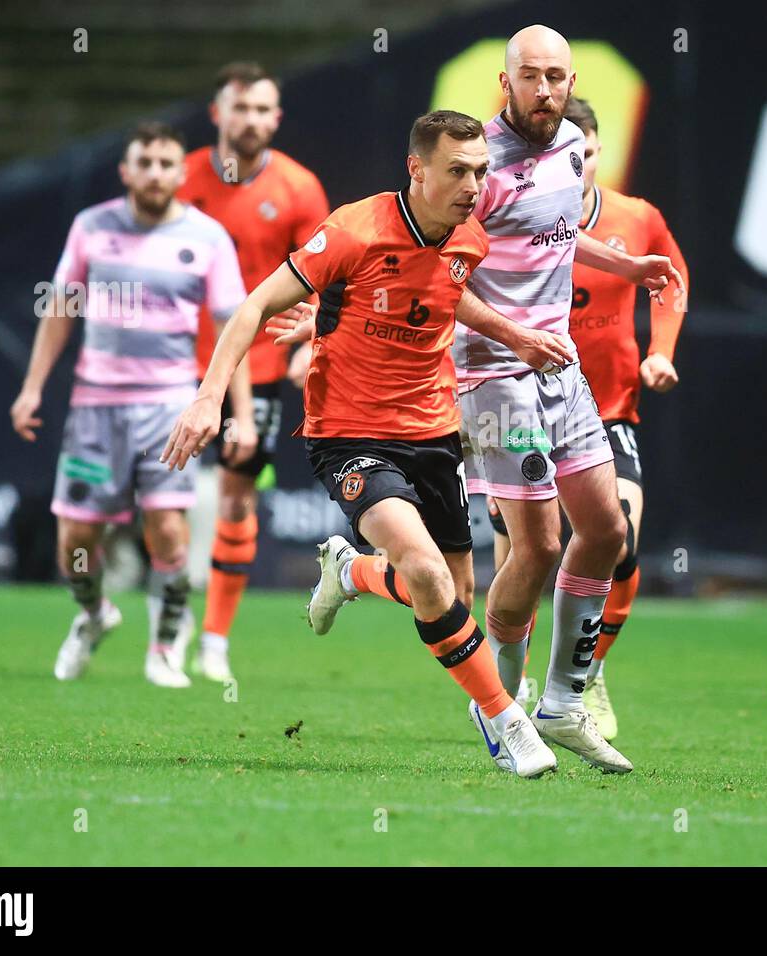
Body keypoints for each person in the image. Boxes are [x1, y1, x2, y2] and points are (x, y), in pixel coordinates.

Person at [162, 111, 575, 778]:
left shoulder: (468, 235)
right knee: (426, 571)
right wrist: (210, 396)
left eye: (479, 171)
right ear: (417, 169)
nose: (474, 185)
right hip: (349, 434)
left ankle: (351, 571)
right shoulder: (354, 230)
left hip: (434, 431)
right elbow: (252, 307)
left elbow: (447, 292)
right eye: (457, 171)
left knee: (451, 597)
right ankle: (507, 723)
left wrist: (517, 337)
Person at [451, 25, 683, 774]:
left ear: (572, 79)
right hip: (493, 376)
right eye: (531, 77)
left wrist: (627, 261)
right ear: (505, 80)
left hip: (561, 369)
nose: (545, 90)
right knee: (538, 545)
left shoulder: (569, 151)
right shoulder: (475, 168)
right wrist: (515, 338)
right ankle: (498, 707)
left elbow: (556, 237)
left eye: (557, 77)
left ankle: (560, 702)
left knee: (606, 532)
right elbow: (439, 279)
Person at [10, 121, 251, 688]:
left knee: (167, 528)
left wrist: (235, 412)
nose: (155, 173)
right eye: (144, 162)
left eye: (167, 164)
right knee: (75, 541)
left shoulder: (207, 237)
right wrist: (31, 387)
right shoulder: (91, 228)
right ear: (125, 170)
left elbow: (233, 328)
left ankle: (166, 642)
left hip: (168, 405)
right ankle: (94, 614)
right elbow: (61, 309)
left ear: (180, 172)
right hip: (95, 408)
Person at [177, 61, 331, 682]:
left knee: (237, 495)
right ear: (218, 113)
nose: (252, 120)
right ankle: (169, 611)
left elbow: (324, 276)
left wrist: (305, 344)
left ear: (277, 118)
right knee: (158, 496)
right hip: (171, 361)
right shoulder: (179, 179)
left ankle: (213, 638)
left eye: (263, 109)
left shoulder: (297, 189)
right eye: (240, 108)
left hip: (258, 365)